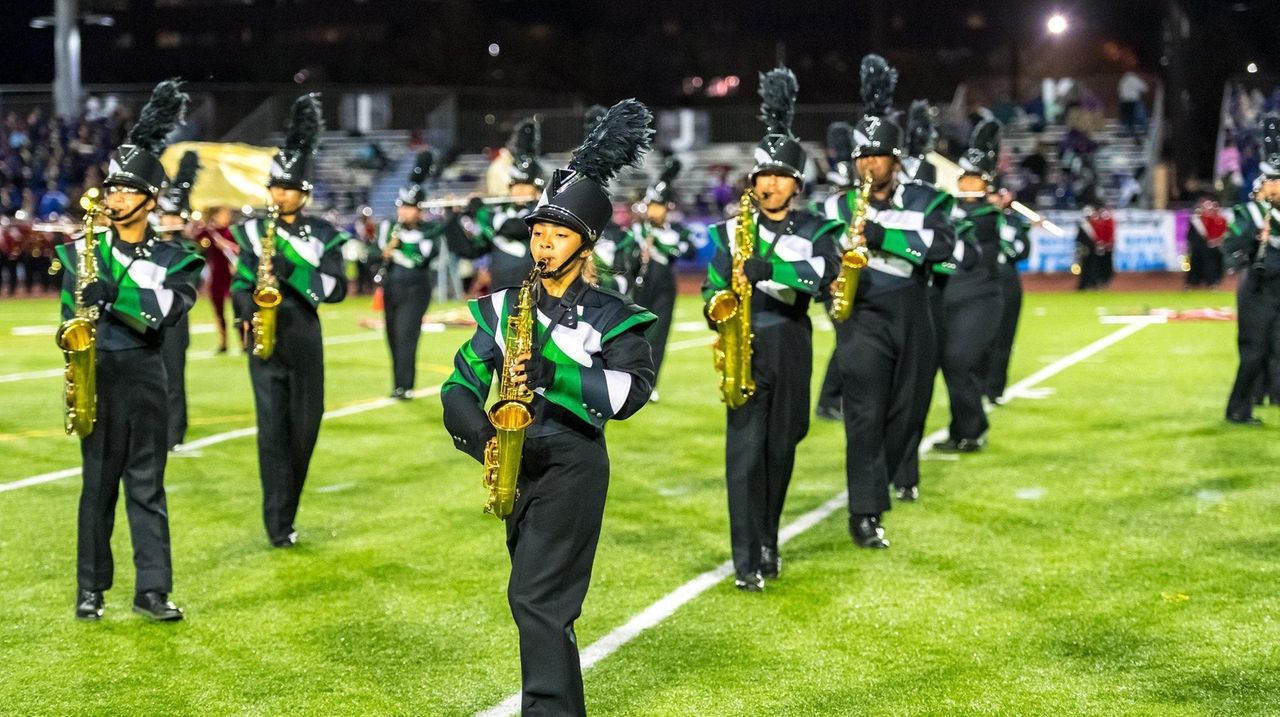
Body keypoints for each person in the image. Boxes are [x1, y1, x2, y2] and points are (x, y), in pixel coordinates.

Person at [441, 99, 656, 716]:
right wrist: (484, 437)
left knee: (537, 598)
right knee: (539, 602)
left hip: (572, 464)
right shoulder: (506, 306)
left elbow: (627, 395)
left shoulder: (614, 316)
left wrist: (550, 372)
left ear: (584, 243)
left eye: (557, 234)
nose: (542, 244)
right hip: (516, 457)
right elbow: (458, 384)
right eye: (538, 232)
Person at [60, 80, 202, 622]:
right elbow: (66, 319)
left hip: (145, 374)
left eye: (126, 189)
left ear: (150, 196)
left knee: (147, 485)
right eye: (112, 188)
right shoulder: (80, 252)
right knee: (96, 489)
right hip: (97, 373)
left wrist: (114, 297)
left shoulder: (174, 256)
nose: (114, 197)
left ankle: (152, 590)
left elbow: (166, 308)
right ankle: (90, 588)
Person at [703, 67, 842, 590]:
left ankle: (768, 539)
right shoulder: (728, 231)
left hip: (790, 337)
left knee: (782, 447)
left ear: (796, 184)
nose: (771, 184)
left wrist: (771, 271)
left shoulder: (817, 229)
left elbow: (823, 276)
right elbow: (712, 285)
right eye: (764, 175)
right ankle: (745, 560)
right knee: (743, 456)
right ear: (753, 182)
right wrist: (719, 300)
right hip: (743, 342)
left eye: (782, 175)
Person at [834, 54, 957, 549]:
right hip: (861, 314)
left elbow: (946, 250)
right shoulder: (838, 205)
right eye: (862, 156)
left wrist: (884, 236)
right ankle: (864, 512)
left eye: (877, 155)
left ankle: (896, 468)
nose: (868, 164)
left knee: (907, 412)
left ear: (895, 158)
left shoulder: (928, 199)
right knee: (864, 413)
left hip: (914, 305)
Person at [229, 94, 350, 547]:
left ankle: (288, 508)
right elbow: (241, 284)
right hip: (265, 339)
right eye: (275, 188)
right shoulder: (253, 233)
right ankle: (277, 524)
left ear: (305, 192)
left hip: (304, 336)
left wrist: (293, 272)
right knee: (271, 432)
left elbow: (336, 289)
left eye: (288, 188)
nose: (279, 196)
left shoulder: (324, 235)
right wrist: (247, 312)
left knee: (304, 428)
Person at [375, 151, 451, 399]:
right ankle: (397, 382)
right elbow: (373, 252)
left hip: (416, 289)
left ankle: (404, 386)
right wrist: (384, 253)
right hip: (392, 286)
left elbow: (420, 258)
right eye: (402, 207)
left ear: (420, 209)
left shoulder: (430, 231)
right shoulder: (388, 227)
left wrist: (397, 249)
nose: (405, 213)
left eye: (410, 208)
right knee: (392, 336)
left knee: (407, 334)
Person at [1222, 113, 1280, 425]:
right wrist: (1244, 254)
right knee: (1254, 353)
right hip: (1257, 291)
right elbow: (1231, 247)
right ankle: (1237, 410)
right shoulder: (1253, 214)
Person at [619, 156, 693, 400]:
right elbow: (623, 254)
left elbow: (686, 250)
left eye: (659, 206)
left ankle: (650, 385)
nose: (654, 211)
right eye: (652, 205)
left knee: (659, 337)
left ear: (668, 208)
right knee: (635, 334)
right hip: (640, 286)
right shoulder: (637, 230)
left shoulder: (675, 233)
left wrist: (660, 242)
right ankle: (626, 378)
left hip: (664, 287)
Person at [449, 118, 545, 291]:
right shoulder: (500, 212)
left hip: (535, 290)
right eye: (516, 186)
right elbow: (472, 250)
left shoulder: (542, 211)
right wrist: (454, 216)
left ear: (536, 189)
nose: (520, 192)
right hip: (500, 292)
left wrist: (481, 212)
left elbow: (517, 227)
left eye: (526, 186)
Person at [155, 150, 202, 450]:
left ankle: (175, 434)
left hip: (174, 323)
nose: (168, 220)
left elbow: (185, 287)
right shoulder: (149, 245)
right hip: (149, 321)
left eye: (174, 215)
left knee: (173, 380)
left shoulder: (189, 250)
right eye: (165, 215)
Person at [814, 120, 857, 421]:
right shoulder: (829, 208)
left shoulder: (844, 205)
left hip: (850, 280)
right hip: (835, 282)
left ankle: (833, 399)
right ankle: (828, 400)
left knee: (851, 341)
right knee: (849, 341)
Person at [981, 190, 1032, 405]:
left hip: (1007, 279)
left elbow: (1023, 251)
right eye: (990, 195)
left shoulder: (1014, 222)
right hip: (981, 279)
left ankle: (995, 389)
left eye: (997, 196)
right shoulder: (975, 218)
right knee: (980, 337)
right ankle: (978, 385)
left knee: (1004, 339)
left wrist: (1004, 245)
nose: (994, 200)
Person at [1186, 196, 1228, 288]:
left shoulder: (1218, 219)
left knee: (1212, 264)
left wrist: (1216, 241)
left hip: (1212, 245)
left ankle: (1211, 281)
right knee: (1196, 263)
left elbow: (1220, 231)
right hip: (1199, 246)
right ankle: (1194, 282)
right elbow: (1191, 234)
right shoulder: (1199, 219)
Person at [1075, 201, 1115, 290]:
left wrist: (1103, 243)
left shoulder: (1097, 222)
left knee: (1098, 266)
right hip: (1088, 250)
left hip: (1095, 249)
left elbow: (1104, 232)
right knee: (1088, 267)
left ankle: (1094, 283)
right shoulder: (1088, 225)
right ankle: (1087, 284)